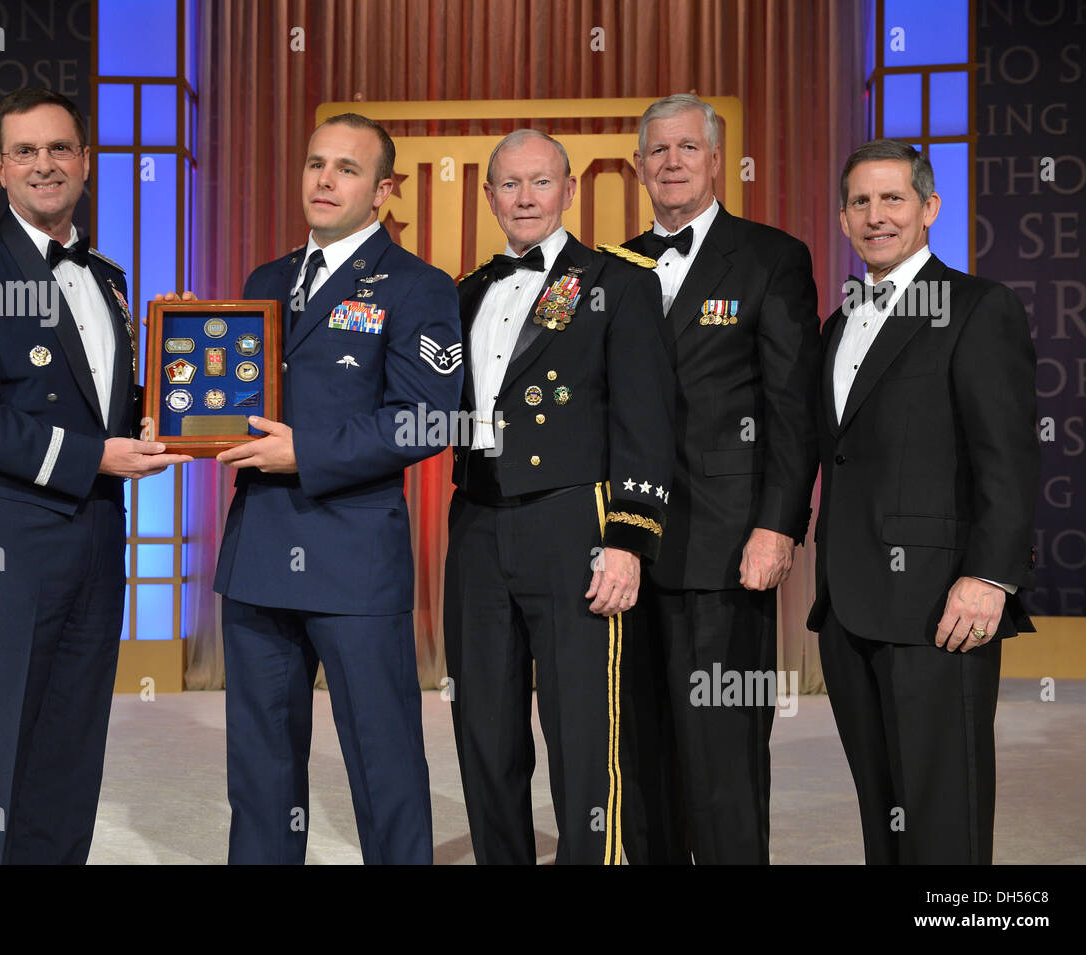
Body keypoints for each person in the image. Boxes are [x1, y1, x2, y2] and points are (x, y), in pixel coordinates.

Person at [0, 87, 190, 864]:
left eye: (59, 148)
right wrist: (91, 457)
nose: (45, 164)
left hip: (95, 534)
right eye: (26, 151)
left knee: (71, 746)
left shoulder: (109, 277)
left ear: (86, 161)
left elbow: (111, 408)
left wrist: (182, 359)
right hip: (3, 533)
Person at [210, 113, 463, 864]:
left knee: (384, 762)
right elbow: (237, 398)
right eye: (316, 163)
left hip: (354, 559)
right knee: (260, 767)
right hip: (259, 551)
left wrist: (307, 453)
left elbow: (426, 420)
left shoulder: (419, 286)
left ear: (383, 190)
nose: (324, 180)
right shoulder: (266, 280)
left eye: (347, 169)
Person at [444, 129, 674, 865]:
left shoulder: (617, 282)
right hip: (477, 520)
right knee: (484, 723)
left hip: (575, 521)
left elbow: (646, 419)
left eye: (541, 182)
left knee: (582, 726)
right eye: (510, 185)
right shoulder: (464, 291)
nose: (525, 198)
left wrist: (630, 538)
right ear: (489, 197)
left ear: (570, 191)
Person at [809, 139, 1038, 864]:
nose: (876, 215)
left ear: (930, 207)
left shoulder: (978, 306)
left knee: (944, 823)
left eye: (893, 198)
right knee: (884, 819)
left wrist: (990, 577)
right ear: (843, 219)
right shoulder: (838, 323)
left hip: (941, 605)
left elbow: (1008, 458)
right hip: (847, 608)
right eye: (860, 202)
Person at [618, 93, 821, 864]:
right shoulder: (614, 265)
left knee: (723, 753)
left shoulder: (771, 257)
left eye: (687, 148)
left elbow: (793, 408)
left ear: (716, 159)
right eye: (657, 150)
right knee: (643, 749)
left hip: (728, 544)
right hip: (627, 548)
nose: (671, 162)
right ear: (639, 166)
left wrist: (778, 525)